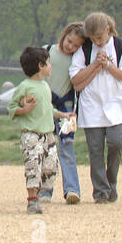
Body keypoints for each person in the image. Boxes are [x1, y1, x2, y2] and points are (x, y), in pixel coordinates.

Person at [69, 11, 122, 204]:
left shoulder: (120, 47)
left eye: (99, 37)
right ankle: (101, 191)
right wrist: (95, 64)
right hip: (91, 105)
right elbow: (75, 79)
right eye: (93, 39)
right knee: (95, 149)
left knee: (116, 143)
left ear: (108, 30)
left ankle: (111, 181)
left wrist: (109, 66)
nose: (97, 42)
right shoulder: (85, 50)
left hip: (115, 103)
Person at [9, 46, 62, 214]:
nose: (50, 66)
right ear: (41, 66)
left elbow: (48, 110)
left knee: (51, 167)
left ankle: (40, 193)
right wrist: (23, 109)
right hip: (31, 135)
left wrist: (64, 114)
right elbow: (12, 107)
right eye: (48, 63)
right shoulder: (25, 87)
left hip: (48, 135)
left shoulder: (45, 87)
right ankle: (32, 200)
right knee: (33, 166)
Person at [45, 23, 85, 204]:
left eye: (76, 45)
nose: (70, 46)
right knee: (46, 149)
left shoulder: (77, 60)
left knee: (67, 148)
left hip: (66, 108)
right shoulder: (47, 51)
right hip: (45, 107)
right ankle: (45, 190)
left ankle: (72, 190)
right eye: (69, 41)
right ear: (64, 34)